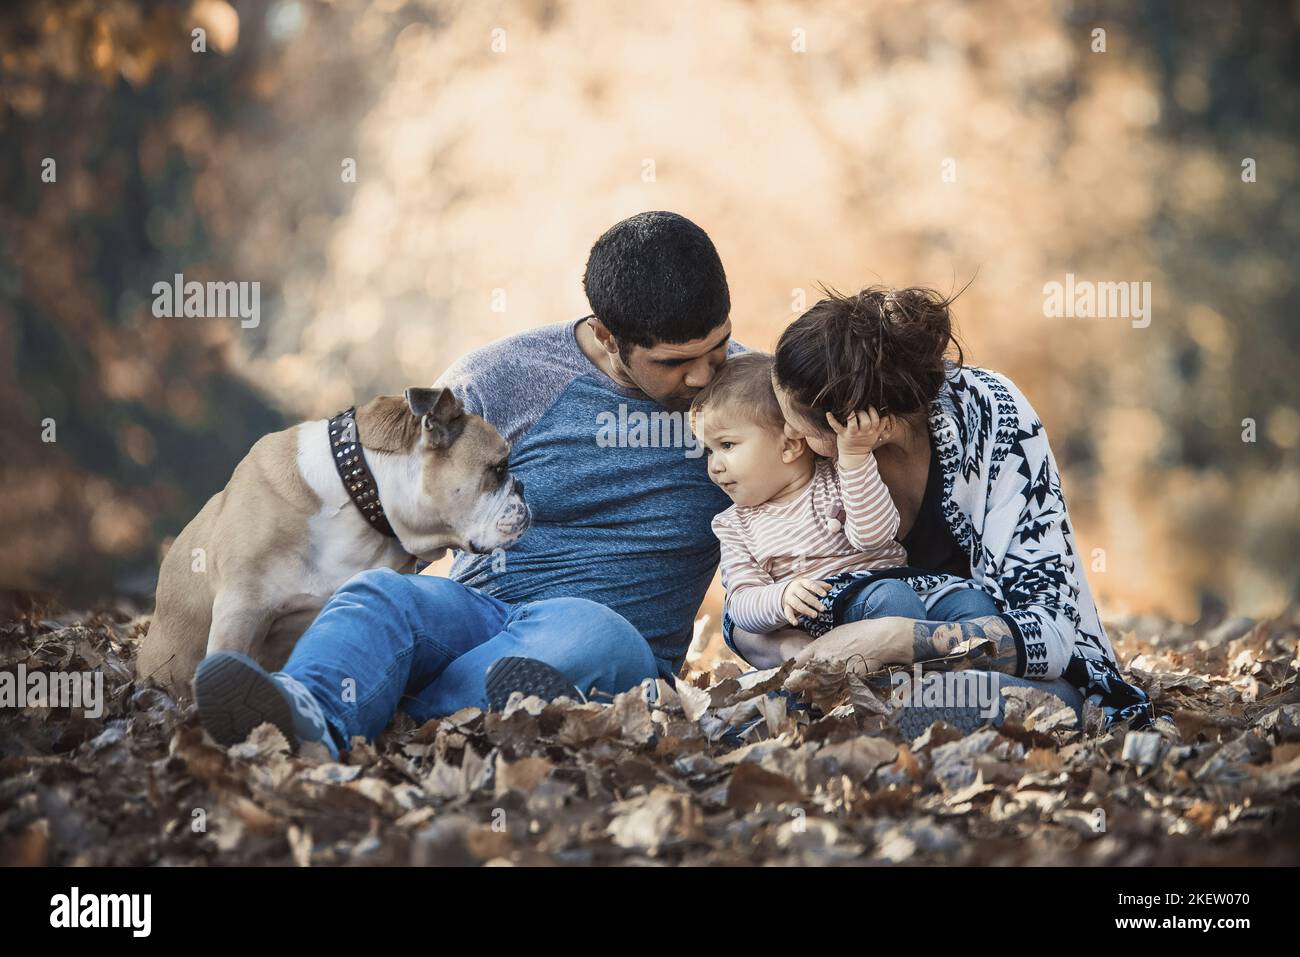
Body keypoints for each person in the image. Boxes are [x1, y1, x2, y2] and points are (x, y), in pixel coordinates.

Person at [193, 211, 742, 757]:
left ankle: (411, 716)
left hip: (613, 650)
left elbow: (807, 511)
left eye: (717, 349)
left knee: (590, 628)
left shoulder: (747, 398)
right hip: (477, 616)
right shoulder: (501, 379)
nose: (702, 377)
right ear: (606, 335)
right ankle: (304, 710)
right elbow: (404, 507)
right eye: (675, 362)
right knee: (379, 593)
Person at [730, 284, 1153, 732]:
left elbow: (1049, 636)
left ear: (868, 428)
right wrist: (808, 656)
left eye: (802, 431)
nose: (789, 440)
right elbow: (746, 606)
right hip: (834, 661)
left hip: (992, 665)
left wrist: (896, 639)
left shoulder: (994, 418)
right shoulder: (796, 455)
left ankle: (910, 714)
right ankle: (861, 713)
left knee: (1026, 699)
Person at [691, 352, 1001, 643]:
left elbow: (875, 536)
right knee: (892, 600)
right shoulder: (735, 526)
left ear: (789, 445)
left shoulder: (842, 475)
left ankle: (968, 679)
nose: (714, 466)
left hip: (906, 584)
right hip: (832, 613)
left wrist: (855, 457)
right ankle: (894, 688)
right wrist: (780, 596)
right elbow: (741, 603)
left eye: (727, 445)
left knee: (973, 602)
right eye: (709, 450)